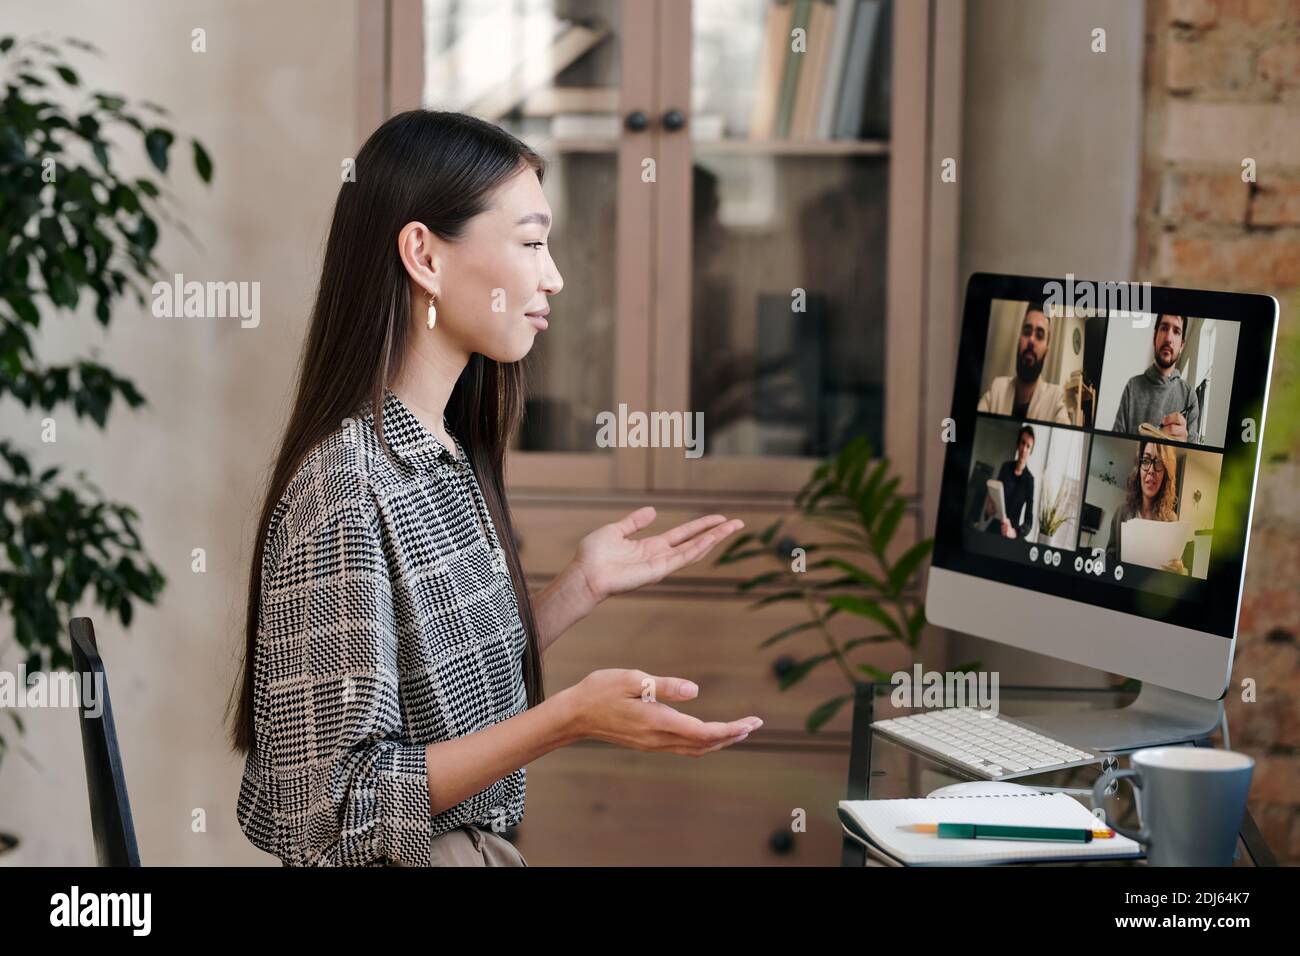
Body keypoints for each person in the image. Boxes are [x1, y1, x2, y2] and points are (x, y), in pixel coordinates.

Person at [228, 110, 762, 867]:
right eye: (532, 242)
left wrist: (581, 585)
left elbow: (432, 695)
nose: (555, 276)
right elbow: (335, 818)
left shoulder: (438, 449)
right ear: (425, 256)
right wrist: (567, 718)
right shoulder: (347, 485)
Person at [1111, 314, 1201, 442]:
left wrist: (1185, 445)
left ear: (1181, 345)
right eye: (1164, 328)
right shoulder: (1132, 386)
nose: (1168, 338)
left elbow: (1191, 455)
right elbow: (1115, 443)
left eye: (1176, 331)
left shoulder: (1189, 396)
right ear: (1154, 337)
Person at [977, 301, 1071, 423]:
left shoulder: (1056, 399)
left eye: (1039, 335)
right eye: (1027, 332)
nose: (1031, 340)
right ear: (1019, 340)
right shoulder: (997, 388)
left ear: (1046, 351)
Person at [1105, 440, 1187, 573]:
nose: (1151, 470)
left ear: (1165, 474)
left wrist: (1178, 573)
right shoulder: (1121, 513)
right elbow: (1109, 558)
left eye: (1159, 462)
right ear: (1139, 468)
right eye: (1146, 460)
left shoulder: (1171, 520)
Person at [983, 425, 1036, 540]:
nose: (1024, 449)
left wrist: (1014, 532)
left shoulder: (1030, 480)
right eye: (1022, 443)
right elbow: (995, 497)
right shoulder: (1005, 467)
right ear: (1018, 444)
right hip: (995, 526)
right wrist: (988, 510)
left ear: (1031, 451)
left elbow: (1029, 522)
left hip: (1011, 533)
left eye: (1028, 446)